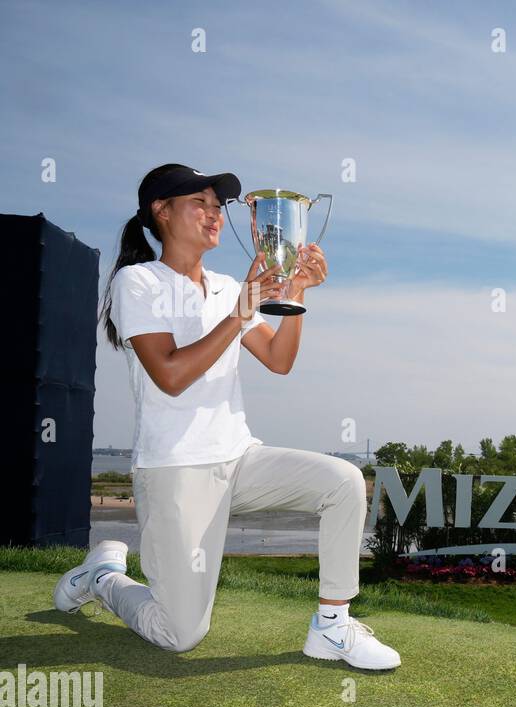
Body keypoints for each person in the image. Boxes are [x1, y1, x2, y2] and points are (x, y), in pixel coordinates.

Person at [53, 163, 400, 670]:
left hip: (239, 458)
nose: (214, 214)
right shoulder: (139, 281)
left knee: (344, 480)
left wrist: (296, 291)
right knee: (179, 633)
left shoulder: (223, 287)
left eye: (218, 206)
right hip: (175, 468)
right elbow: (170, 374)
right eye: (201, 203)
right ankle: (105, 577)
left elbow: (279, 361)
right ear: (162, 212)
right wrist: (238, 312)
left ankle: (331, 626)